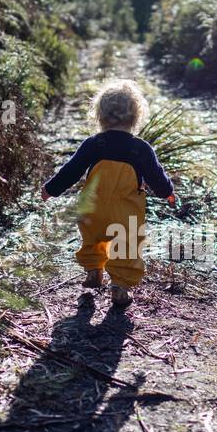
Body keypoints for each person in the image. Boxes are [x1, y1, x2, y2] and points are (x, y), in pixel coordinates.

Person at [41, 79, 176, 308]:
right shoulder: (141, 148)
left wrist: (50, 189)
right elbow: (156, 176)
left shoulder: (94, 143)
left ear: (100, 115)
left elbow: (71, 170)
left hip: (93, 209)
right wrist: (168, 193)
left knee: (92, 239)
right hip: (126, 213)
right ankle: (120, 287)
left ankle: (94, 270)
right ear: (136, 116)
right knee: (126, 246)